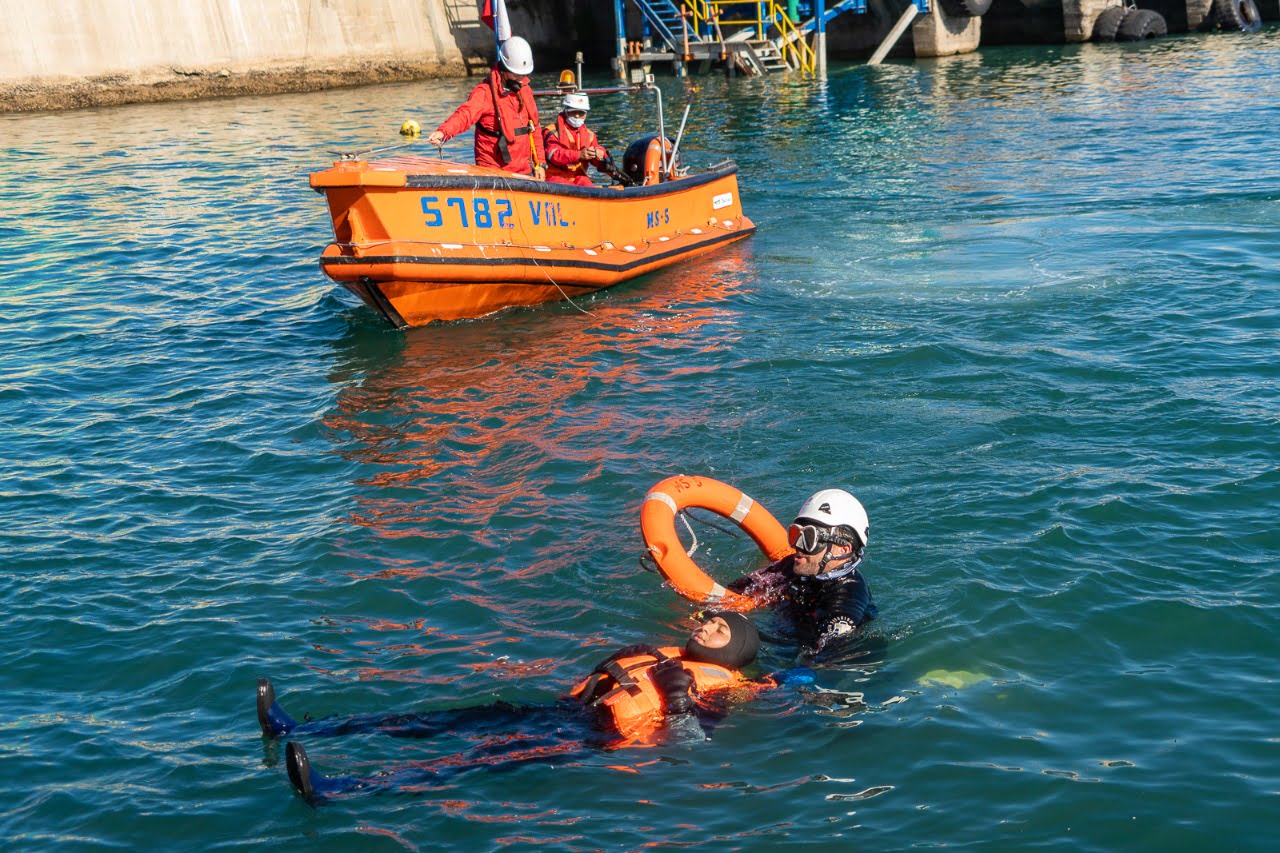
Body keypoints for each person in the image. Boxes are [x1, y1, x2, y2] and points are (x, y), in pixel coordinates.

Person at [259, 612, 764, 801]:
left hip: (592, 739)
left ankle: (343, 788)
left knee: (477, 758)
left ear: (734, 649)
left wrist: (677, 700)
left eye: (720, 629)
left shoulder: (720, 688)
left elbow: (689, 747)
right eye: (707, 621)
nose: (705, 627)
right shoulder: (668, 654)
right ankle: (312, 729)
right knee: (445, 721)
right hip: (565, 715)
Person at [727, 489, 878, 655]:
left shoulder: (847, 598)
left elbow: (827, 657)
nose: (797, 546)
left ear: (842, 549)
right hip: (784, 636)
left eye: (809, 539)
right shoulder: (795, 565)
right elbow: (741, 589)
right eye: (795, 534)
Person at [424, 36, 545, 179]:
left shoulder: (525, 91)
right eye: (516, 75)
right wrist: (443, 132)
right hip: (493, 170)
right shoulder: (485, 93)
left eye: (523, 75)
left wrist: (540, 164)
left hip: (523, 169)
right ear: (504, 70)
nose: (520, 79)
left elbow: (535, 129)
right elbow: (465, 114)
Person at [542, 92, 610, 187]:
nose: (577, 116)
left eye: (581, 113)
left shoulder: (590, 135)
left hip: (578, 176)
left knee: (589, 187)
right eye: (573, 112)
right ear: (566, 111)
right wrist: (579, 155)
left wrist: (600, 153)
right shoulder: (551, 131)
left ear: (585, 114)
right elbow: (554, 154)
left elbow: (597, 148)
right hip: (554, 176)